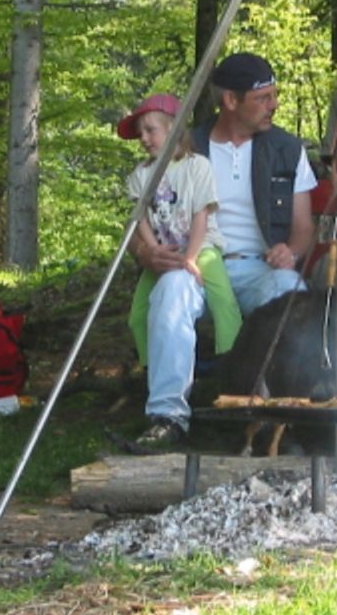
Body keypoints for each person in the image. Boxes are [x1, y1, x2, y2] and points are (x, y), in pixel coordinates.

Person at [132, 51, 316, 446]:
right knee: (171, 291)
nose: (274, 105)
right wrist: (145, 253)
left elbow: (304, 227)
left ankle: (283, 418)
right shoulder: (186, 147)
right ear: (230, 100)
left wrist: (291, 251)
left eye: (274, 95)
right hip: (194, 261)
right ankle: (167, 416)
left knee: (290, 292)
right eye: (263, 98)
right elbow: (140, 214)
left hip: (261, 267)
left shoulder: (286, 148)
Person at [120, 93, 241, 373]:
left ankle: (231, 362)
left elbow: (201, 215)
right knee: (138, 315)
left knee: (224, 301)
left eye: (150, 130)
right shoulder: (140, 175)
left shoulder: (197, 166)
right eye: (140, 133)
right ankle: (152, 367)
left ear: (173, 128)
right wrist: (154, 251)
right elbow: (140, 219)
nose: (144, 138)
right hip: (165, 252)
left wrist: (191, 258)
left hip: (201, 246)